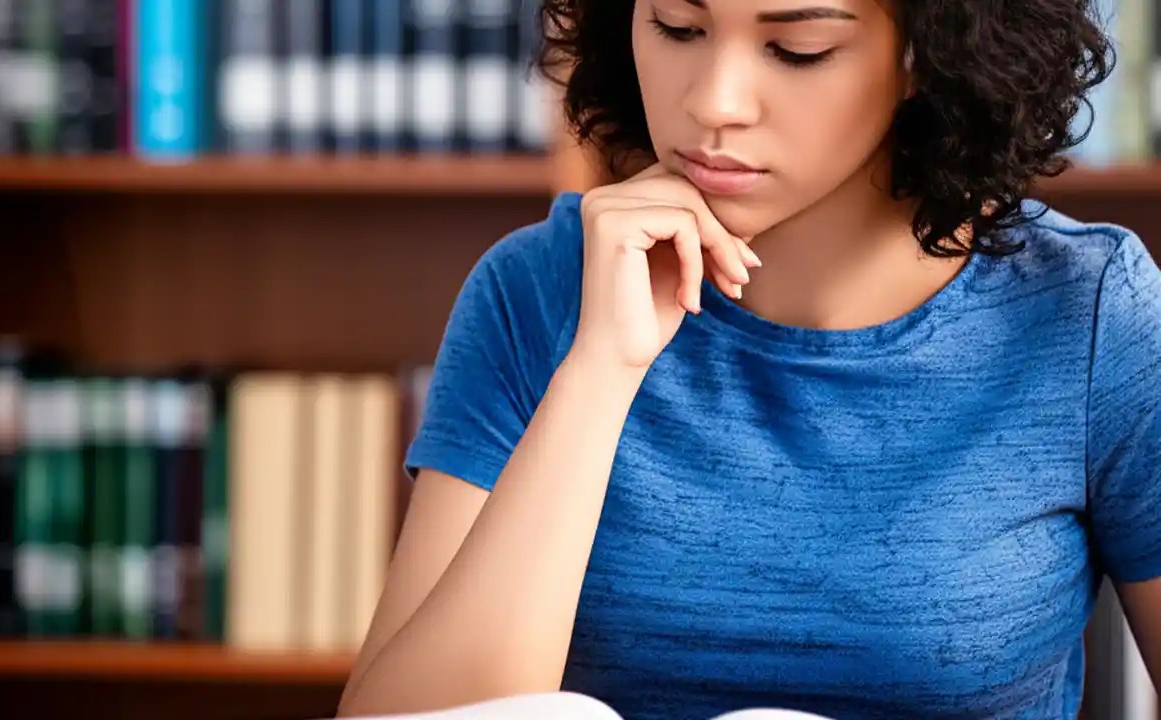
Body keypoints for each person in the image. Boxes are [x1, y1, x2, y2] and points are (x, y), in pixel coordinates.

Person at [338, 1, 1160, 718]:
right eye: (677, 26)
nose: (713, 102)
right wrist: (600, 371)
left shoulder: (1090, 313)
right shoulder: (535, 292)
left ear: (927, 52)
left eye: (796, 47)